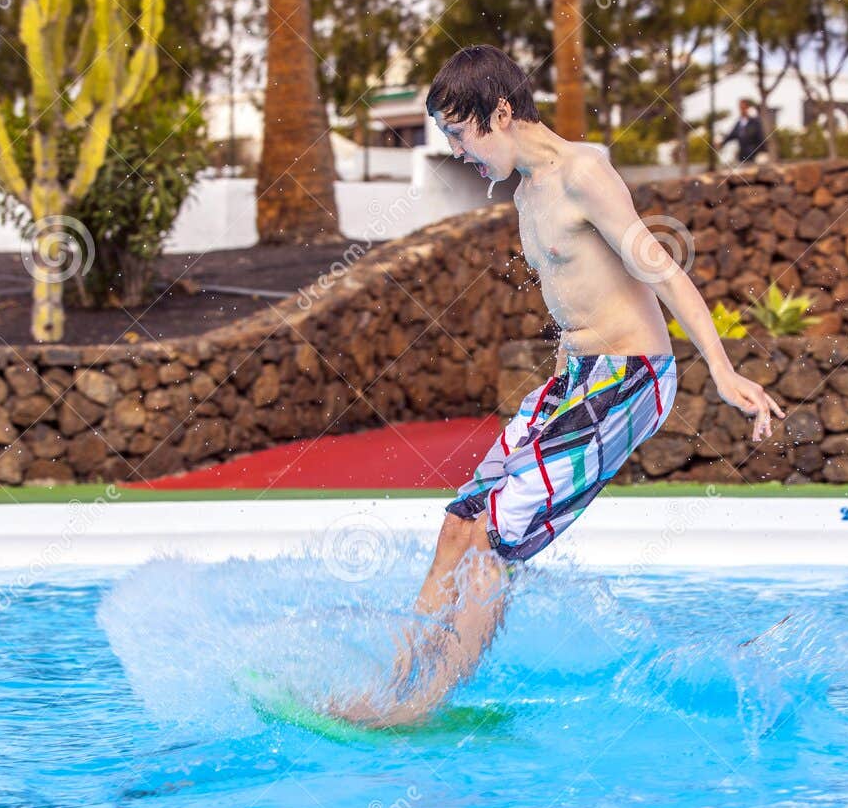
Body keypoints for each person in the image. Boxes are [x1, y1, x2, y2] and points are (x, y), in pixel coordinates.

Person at [331, 46, 784, 728]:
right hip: (577, 380)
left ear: (502, 112)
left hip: (632, 377)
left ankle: (421, 706)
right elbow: (574, 301)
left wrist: (719, 368)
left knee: (496, 533)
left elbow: (659, 269)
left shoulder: (584, 173)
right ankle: (395, 679)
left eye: (461, 132)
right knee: (460, 521)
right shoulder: (524, 194)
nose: (458, 150)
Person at [719, 98, 766, 164]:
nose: (742, 109)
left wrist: (762, 151)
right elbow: (730, 136)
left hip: (755, 156)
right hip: (743, 156)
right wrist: (721, 143)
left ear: (748, 108)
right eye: (740, 107)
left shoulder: (755, 122)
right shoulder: (738, 123)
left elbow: (761, 138)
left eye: (744, 107)